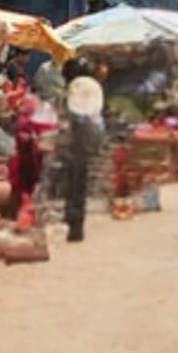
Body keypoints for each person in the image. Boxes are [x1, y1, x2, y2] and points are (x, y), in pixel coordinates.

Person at [58, 58, 105, 242]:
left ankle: (75, 225)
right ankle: (74, 221)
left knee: (75, 179)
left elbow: (76, 112)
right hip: (94, 134)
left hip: (80, 137)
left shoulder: (77, 86)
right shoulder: (94, 85)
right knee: (79, 178)